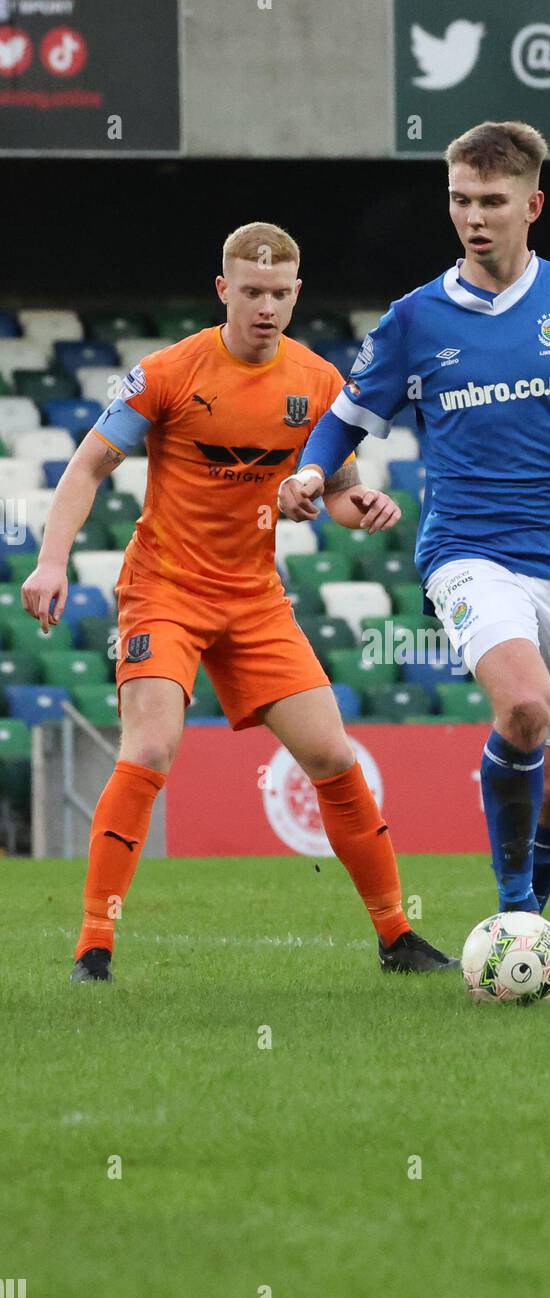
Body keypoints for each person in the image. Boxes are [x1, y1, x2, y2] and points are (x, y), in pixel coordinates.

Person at [279, 121, 550, 989]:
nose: (474, 216)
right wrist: (313, 471)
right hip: (466, 550)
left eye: (492, 201)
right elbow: (348, 417)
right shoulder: (416, 319)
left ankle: (528, 927)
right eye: (461, 200)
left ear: (532, 206)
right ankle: (519, 919)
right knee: (523, 709)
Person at [21, 221, 456, 981]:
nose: (265, 307)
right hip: (165, 590)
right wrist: (52, 562)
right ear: (224, 290)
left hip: (254, 599)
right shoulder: (166, 372)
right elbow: (88, 468)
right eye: (251, 292)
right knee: (150, 748)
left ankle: (396, 936)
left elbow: (339, 491)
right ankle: (94, 946)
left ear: (296, 294)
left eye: (279, 293)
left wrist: (365, 507)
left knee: (330, 755)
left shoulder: (319, 382)